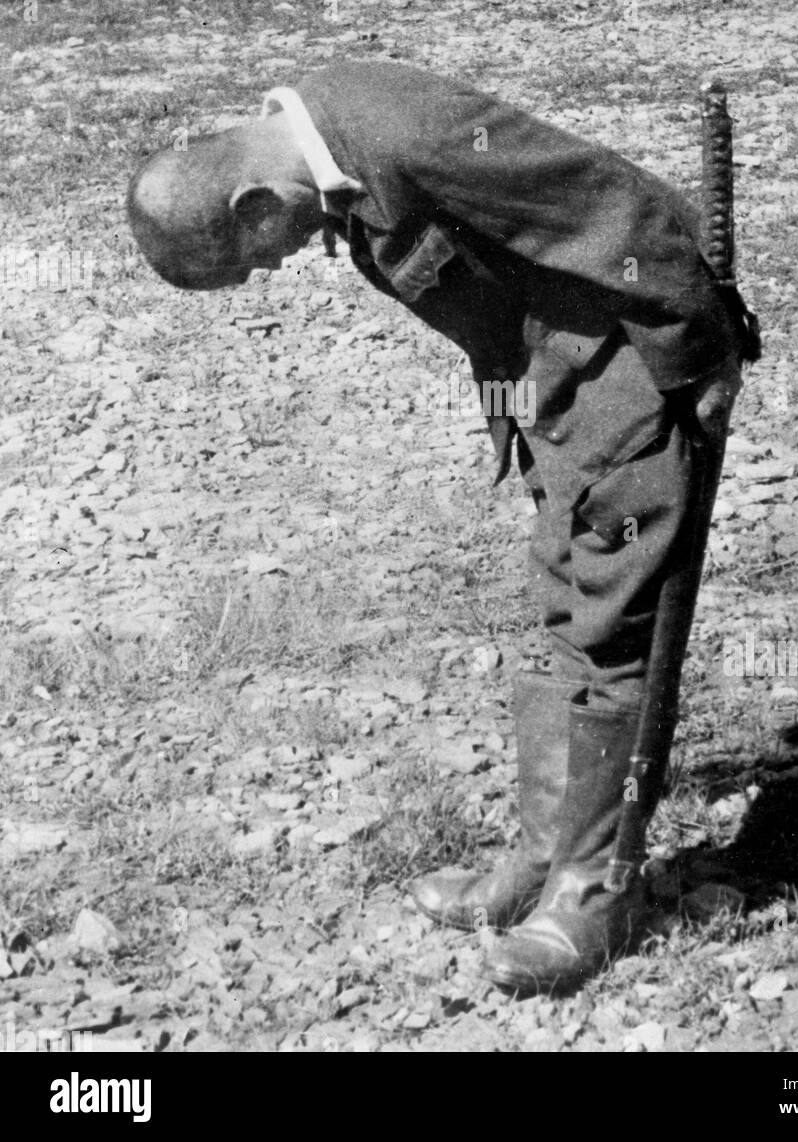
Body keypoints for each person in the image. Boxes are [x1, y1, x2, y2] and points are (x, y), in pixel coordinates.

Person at [127, 61, 751, 993]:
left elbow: (611, 206)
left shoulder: (395, 131)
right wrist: (514, 403)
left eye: (256, 257)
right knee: (564, 603)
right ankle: (542, 859)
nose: (275, 265)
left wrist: (701, 358)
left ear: (256, 204)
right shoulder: (330, 164)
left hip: (629, 373)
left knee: (619, 626)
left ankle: (595, 890)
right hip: (559, 388)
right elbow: (491, 274)